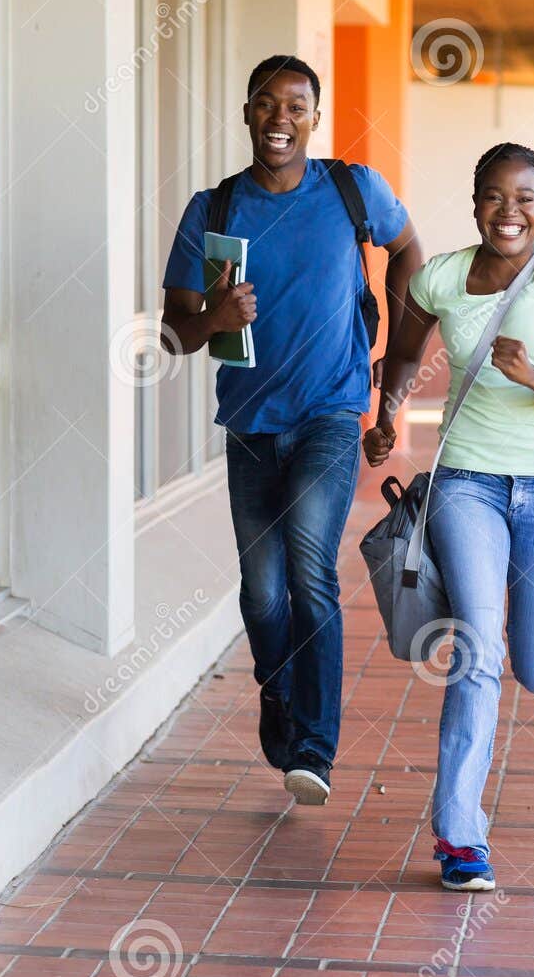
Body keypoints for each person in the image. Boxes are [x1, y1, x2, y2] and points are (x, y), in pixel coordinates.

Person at [160, 55, 422, 807]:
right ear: (247, 114)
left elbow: (408, 250)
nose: (281, 119)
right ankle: (277, 688)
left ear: (316, 116)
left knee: (310, 566)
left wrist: (391, 366)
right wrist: (215, 316)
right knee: (262, 591)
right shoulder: (212, 211)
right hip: (249, 423)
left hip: (330, 414)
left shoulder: (351, 191)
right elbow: (175, 332)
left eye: (297, 106)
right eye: (267, 105)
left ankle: (315, 744)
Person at [365, 142, 534, 892]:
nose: (511, 211)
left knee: (529, 660)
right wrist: (387, 416)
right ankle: (459, 833)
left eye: (525, 196)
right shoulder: (439, 277)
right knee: (476, 646)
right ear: (474, 204)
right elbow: (401, 356)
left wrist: (531, 373)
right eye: (495, 197)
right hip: (467, 485)